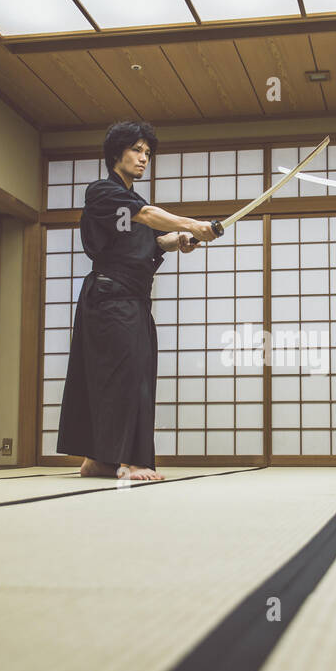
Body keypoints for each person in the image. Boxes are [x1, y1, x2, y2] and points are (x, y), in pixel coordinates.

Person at [56, 120, 217, 481]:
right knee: (124, 378)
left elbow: (143, 242)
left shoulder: (131, 204)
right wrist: (191, 224)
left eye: (148, 153)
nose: (144, 158)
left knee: (137, 375)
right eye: (137, 150)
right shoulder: (103, 193)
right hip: (109, 297)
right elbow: (144, 216)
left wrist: (177, 240)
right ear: (117, 153)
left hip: (132, 300)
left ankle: (99, 460)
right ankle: (129, 461)